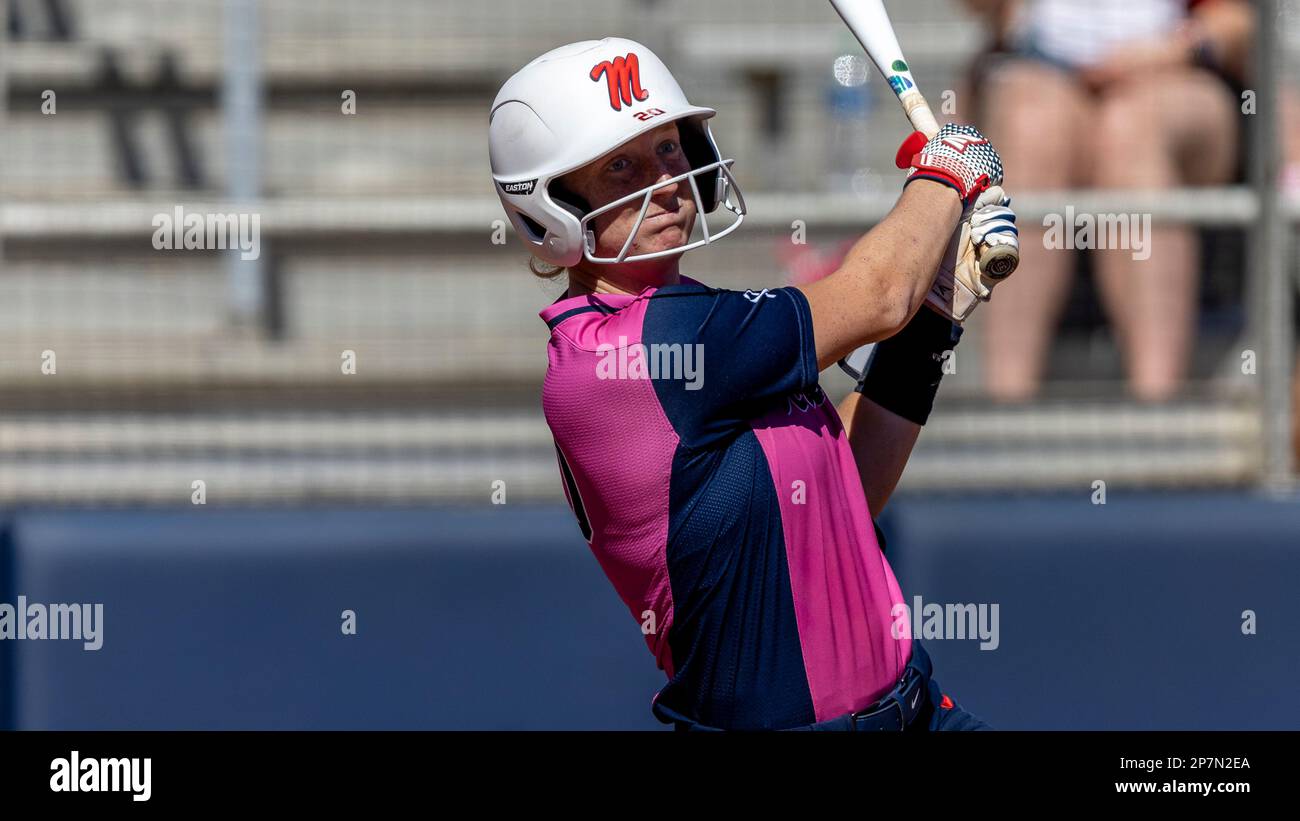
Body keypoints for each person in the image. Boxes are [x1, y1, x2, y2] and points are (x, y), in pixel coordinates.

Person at [488, 37, 1018, 730]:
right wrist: (948, 170)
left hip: (917, 707)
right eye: (621, 165)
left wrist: (934, 318)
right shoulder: (627, 352)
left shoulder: (692, 317)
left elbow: (843, 493)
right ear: (547, 203)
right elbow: (878, 295)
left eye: (669, 148)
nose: (667, 179)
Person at [963, 0, 1254, 401]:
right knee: (1033, 125)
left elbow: (1240, 25)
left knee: (1131, 127)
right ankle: (1008, 410)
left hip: (1181, 78)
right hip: (1046, 77)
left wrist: (1172, 50)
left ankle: (1155, 418)